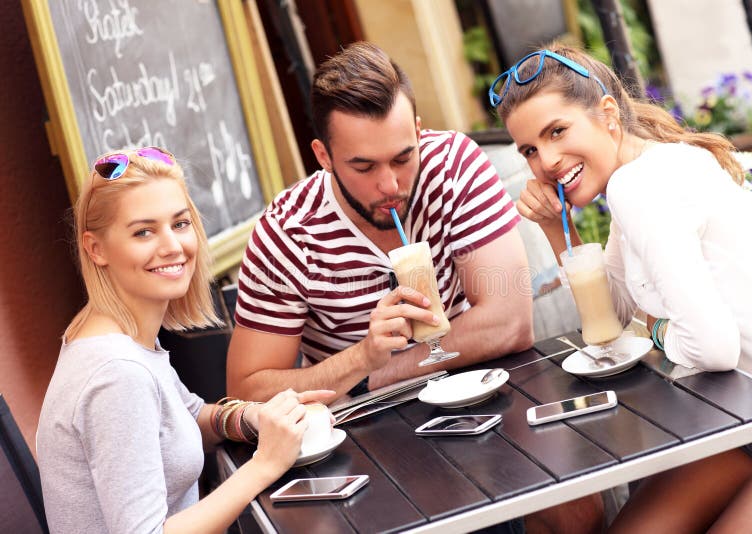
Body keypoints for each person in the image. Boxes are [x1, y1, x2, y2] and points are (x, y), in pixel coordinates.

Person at [490, 42, 752, 533]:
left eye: (557, 131)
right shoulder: (641, 172)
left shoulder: (638, 187)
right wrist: (556, 227)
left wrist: (654, 328)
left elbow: (713, 348)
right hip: (747, 431)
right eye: (529, 149)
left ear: (608, 114)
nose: (546, 160)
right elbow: (612, 319)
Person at [37, 147, 333, 534]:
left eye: (179, 223)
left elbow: (187, 415)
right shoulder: (118, 374)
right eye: (143, 232)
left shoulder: (116, 336)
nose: (172, 246)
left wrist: (253, 417)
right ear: (96, 249)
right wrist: (265, 464)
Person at [226, 41, 535, 401]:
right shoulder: (288, 233)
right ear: (324, 156)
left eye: (403, 158)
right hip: (361, 425)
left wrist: (372, 378)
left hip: (473, 389)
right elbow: (246, 393)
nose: (389, 185)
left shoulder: (453, 167)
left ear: (418, 132)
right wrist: (362, 358)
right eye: (364, 167)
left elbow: (512, 323)